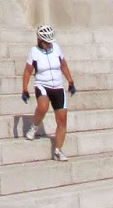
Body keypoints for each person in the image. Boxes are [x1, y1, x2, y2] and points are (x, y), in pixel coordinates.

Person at [21, 24, 75, 160]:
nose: (49, 44)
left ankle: (58, 150)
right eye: (46, 42)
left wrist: (70, 81)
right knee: (43, 106)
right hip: (42, 84)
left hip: (58, 86)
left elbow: (63, 65)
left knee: (62, 120)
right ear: (40, 40)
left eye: (50, 42)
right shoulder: (34, 51)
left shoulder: (56, 48)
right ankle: (34, 127)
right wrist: (25, 89)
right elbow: (28, 71)